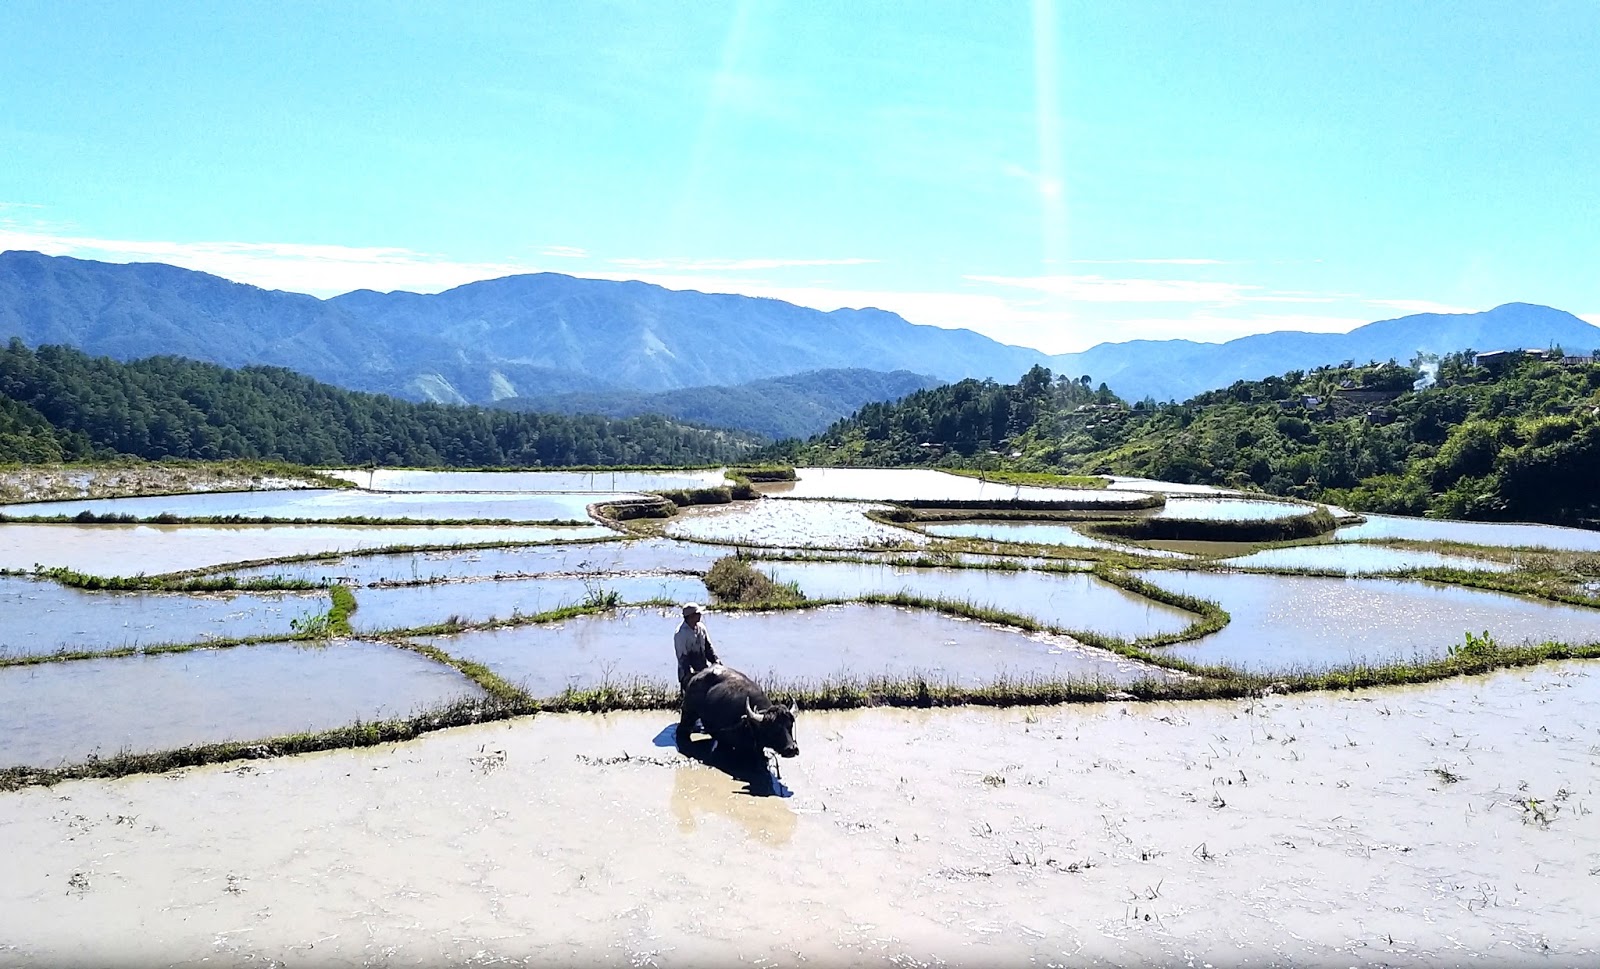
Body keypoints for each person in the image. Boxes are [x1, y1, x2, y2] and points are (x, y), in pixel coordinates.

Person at [673, 602, 719, 689]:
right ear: (691, 616)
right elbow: (683, 659)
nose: (700, 615)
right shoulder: (680, 634)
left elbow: (708, 648)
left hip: (702, 667)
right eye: (698, 613)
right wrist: (690, 677)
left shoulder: (701, 628)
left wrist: (716, 662)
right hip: (687, 673)